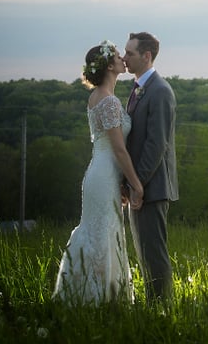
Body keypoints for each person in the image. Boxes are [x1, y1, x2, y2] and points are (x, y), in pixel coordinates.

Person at [53, 40, 144, 304]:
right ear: (109, 66)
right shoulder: (109, 101)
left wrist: (121, 182)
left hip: (100, 174)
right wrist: (136, 184)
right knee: (104, 234)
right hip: (104, 176)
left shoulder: (97, 97)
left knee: (101, 232)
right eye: (117, 56)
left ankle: (90, 296)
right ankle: (100, 299)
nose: (122, 58)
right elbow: (119, 150)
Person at [124, 31, 178, 302]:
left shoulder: (160, 91)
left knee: (154, 254)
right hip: (140, 187)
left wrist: (137, 184)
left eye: (130, 53)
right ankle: (153, 305)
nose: (124, 58)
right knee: (144, 252)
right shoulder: (138, 88)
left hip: (152, 187)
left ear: (146, 56)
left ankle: (162, 308)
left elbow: (157, 145)